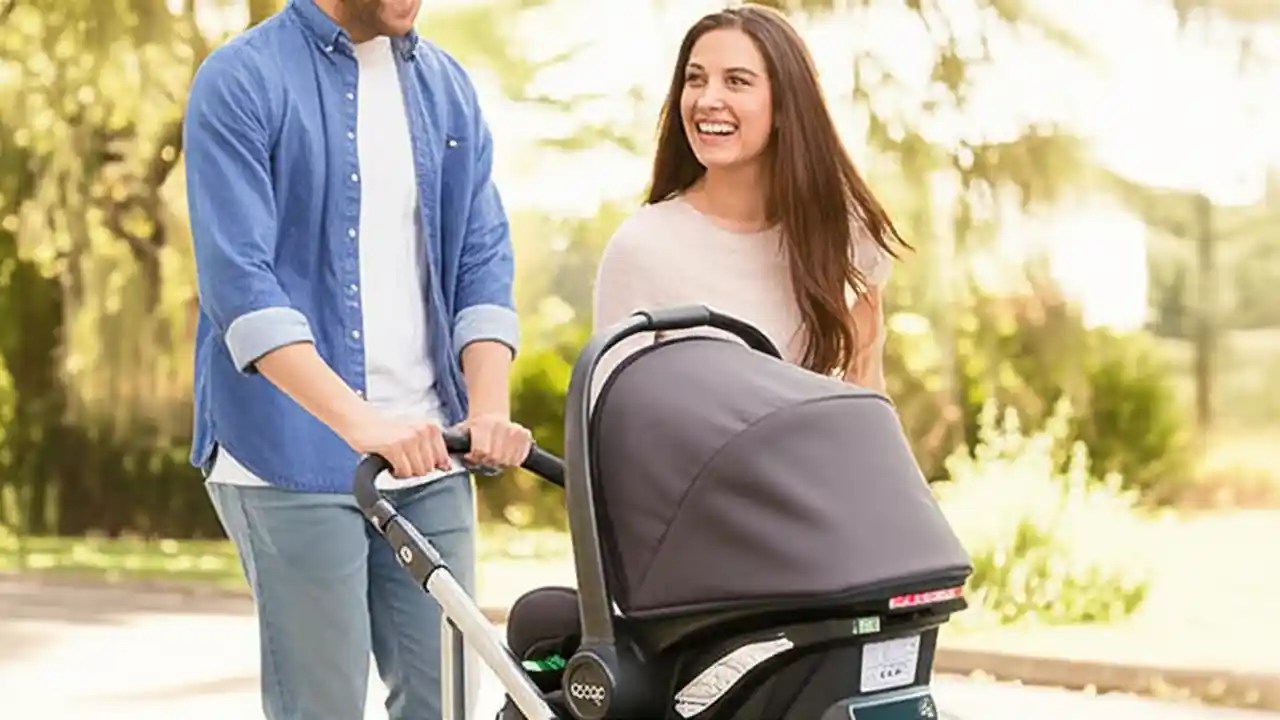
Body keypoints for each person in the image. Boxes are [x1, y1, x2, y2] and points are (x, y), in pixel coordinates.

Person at [182, 1, 531, 717]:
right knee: (324, 705)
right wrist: (361, 422)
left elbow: (481, 257)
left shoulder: (447, 89)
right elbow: (240, 285)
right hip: (288, 453)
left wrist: (488, 407)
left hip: (430, 454)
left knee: (444, 704)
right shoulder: (241, 79)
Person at [593, 4, 909, 392]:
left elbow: (866, 391)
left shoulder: (845, 232)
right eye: (695, 79)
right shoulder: (643, 248)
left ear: (785, 105)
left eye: (737, 81)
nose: (707, 99)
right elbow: (612, 413)